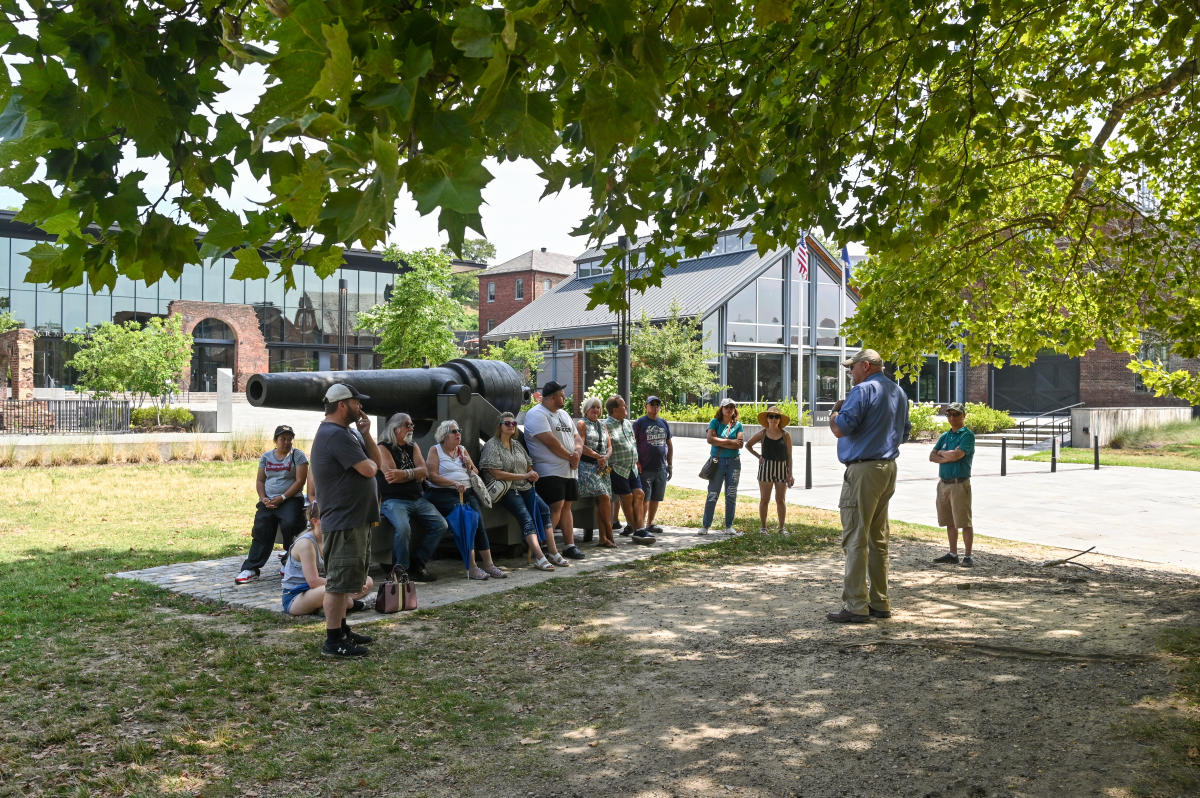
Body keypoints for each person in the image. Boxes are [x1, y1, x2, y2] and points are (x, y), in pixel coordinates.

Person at [826, 348, 911, 623]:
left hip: (863, 469)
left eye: (852, 368)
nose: (850, 373)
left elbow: (842, 428)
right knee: (878, 538)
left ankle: (856, 605)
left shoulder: (861, 391)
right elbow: (905, 432)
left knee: (855, 537)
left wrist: (834, 415)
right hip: (888, 468)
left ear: (866, 366)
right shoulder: (898, 392)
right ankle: (880, 602)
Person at [309, 383, 381, 657]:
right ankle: (332, 640)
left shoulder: (347, 433)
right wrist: (371, 464)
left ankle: (342, 630)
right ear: (342, 405)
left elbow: (377, 464)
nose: (360, 407)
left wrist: (366, 436)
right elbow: (369, 469)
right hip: (344, 520)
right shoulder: (334, 435)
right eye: (356, 402)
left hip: (355, 519)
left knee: (349, 578)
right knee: (338, 584)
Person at [479, 412, 564, 570]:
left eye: (514, 423)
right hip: (506, 488)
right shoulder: (492, 445)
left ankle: (552, 551)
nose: (511, 426)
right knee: (525, 517)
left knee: (545, 510)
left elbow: (528, 464)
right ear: (500, 426)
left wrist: (531, 473)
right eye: (507, 423)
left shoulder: (516, 444)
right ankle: (539, 556)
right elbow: (495, 473)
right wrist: (525, 475)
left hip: (524, 485)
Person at [425, 419, 507, 580]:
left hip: (468, 492)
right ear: (444, 435)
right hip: (445, 494)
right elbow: (432, 476)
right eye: (454, 431)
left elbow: (475, 471)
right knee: (466, 523)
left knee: (479, 524)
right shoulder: (435, 450)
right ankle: (472, 567)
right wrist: (453, 483)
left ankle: (489, 565)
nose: (458, 434)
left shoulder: (462, 449)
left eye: (459, 430)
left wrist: (469, 465)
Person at [377, 412, 448, 582]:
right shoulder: (382, 448)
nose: (412, 428)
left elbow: (424, 471)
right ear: (396, 429)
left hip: (417, 498)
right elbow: (390, 475)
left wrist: (405, 473)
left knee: (441, 525)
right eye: (408, 425)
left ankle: (418, 562)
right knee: (403, 529)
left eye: (411, 425)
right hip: (393, 500)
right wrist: (414, 473)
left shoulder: (412, 446)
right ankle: (402, 570)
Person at [236, 425, 309, 584]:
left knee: (291, 523)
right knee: (262, 526)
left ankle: (290, 562)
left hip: (290, 499)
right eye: (283, 439)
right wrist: (263, 498)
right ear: (276, 440)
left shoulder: (298, 456)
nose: (287, 442)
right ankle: (251, 568)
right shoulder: (266, 457)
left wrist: (282, 497)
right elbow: (260, 480)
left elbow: (300, 481)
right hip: (268, 500)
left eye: (290, 439)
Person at [524, 380, 586, 560]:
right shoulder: (536, 414)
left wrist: (577, 453)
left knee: (567, 505)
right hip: (549, 469)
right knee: (556, 505)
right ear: (551, 397)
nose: (564, 397)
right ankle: (543, 546)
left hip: (569, 469)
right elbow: (549, 441)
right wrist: (570, 457)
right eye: (561, 395)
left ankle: (570, 545)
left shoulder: (564, 414)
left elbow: (577, 437)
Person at [281, 502, 374, 616]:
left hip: (328, 587)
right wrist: (346, 585)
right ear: (315, 521)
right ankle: (356, 605)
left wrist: (353, 581)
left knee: (366, 580)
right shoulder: (306, 544)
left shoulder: (330, 538)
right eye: (329, 519)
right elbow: (313, 582)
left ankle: (329, 606)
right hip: (297, 596)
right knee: (330, 591)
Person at [929, 401, 976, 567]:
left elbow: (958, 455)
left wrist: (943, 453)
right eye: (949, 414)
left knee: (964, 521)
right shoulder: (944, 436)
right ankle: (952, 553)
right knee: (949, 521)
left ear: (963, 415)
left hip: (959, 484)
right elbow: (932, 456)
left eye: (956, 414)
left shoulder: (967, 435)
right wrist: (945, 454)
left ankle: (968, 555)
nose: (952, 417)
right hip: (943, 483)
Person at [604, 395, 654, 544]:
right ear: (614, 410)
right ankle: (637, 530)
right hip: (617, 468)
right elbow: (606, 447)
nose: (626, 408)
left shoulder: (627, 423)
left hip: (632, 467)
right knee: (627, 498)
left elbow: (632, 443)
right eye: (623, 406)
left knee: (639, 494)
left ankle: (639, 529)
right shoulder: (606, 425)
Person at [746, 405, 794, 534]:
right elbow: (748, 445)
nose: (774, 419)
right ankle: (763, 528)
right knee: (764, 499)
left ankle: (781, 528)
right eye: (771, 416)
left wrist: (790, 474)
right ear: (767, 418)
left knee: (780, 499)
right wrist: (759, 457)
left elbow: (789, 456)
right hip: (766, 468)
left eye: (776, 417)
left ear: (780, 419)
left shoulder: (785, 435)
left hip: (781, 468)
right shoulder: (762, 433)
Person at [576, 396, 616, 548]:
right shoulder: (581, 424)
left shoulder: (603, 425)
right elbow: (580, 445)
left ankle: (603, 538)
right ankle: (609, 534)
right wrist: (597, 456)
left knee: (605, 500)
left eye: (598, 408)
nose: (596, 410)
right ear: (586, 409)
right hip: (586, 467)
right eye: (593, 407)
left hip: (602, 467)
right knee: (604, 497)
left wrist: (605, 456)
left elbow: (610, 446)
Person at [701, 398, 745, 535]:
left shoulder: (738, 425)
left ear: (734, 410)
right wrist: (730, 442)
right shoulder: (714, 422)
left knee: (731, 494)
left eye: (732, 407)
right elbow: (710, 439)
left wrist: (719, 441)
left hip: (734, 462)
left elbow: (740, 444)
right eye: (726, 407)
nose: (729, 409)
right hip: (717, 461)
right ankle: (706, 526)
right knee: (713, 494)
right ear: (721, 408)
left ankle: (729, 526)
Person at [633, 395, 673, 536]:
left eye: (657, 405)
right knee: (645, 498)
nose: (655, 407)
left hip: (661, 467)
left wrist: (670, 465)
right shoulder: (639, 423)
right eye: (652, 404)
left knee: (656, 498)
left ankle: (650, 523)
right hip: (645, 467)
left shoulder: (664, 423)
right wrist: (637, 462)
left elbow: (669, 444)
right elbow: (634, 444)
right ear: (646, 406)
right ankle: (641, 526)